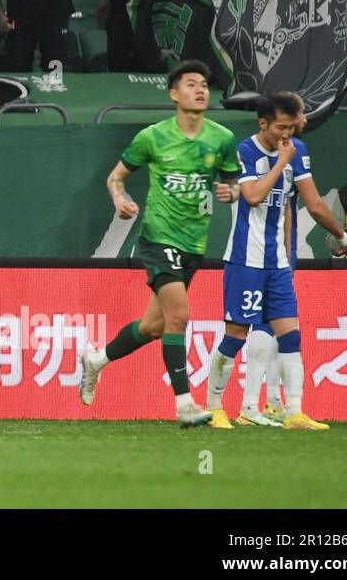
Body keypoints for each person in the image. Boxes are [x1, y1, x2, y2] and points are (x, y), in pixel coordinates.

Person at [80, 60, 242, 427]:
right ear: (173, 93)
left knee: (155, 326)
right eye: (190, 84)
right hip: (157, 238)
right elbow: (116, 178)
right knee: (180, 316)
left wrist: (229, 192)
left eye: (204, 84)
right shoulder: (152, 137)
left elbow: (235, 185)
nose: (200, 90)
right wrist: (119, 200)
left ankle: (96, 361)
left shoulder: (222, 139)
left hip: (193, 243)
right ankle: (184, 405)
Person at [204, 93, 347, 429]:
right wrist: (282, 161)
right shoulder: (244, 151)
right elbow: (252, 197)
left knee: (290, 334)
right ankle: (213, 407)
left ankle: (294, 411)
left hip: (277, 263)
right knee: (235, 335)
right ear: (263, 123)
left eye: (290, 127)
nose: (286, 135)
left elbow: (310, 203)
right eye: (280, 128)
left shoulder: (297, 150)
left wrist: (335, 236)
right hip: (245, 260)